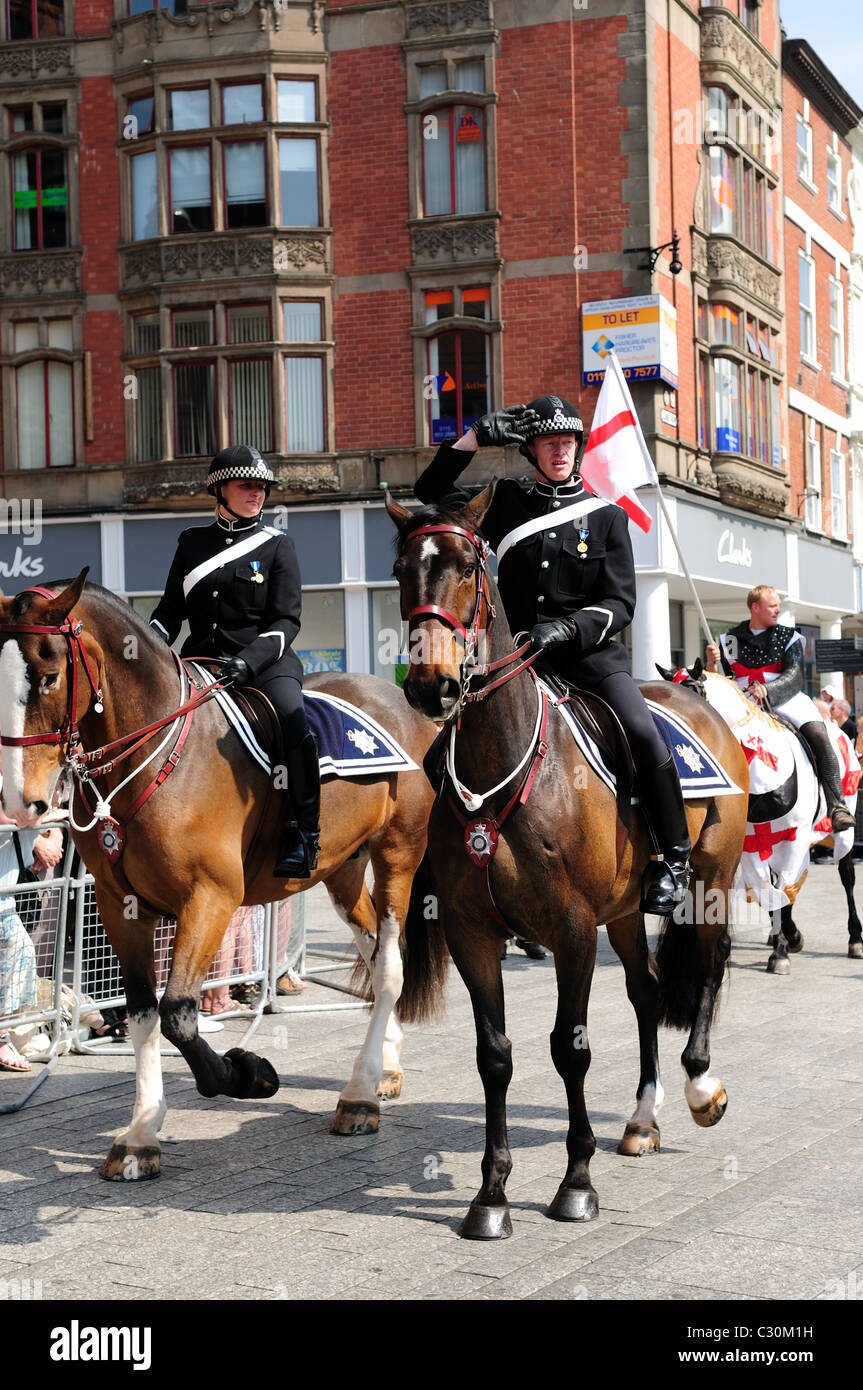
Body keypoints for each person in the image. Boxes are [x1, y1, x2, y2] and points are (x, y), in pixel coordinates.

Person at [415, 395, 691, 915]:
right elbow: (428, 492)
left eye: (567, 442)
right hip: (514, 664)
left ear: (579, 448)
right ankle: (460, 864)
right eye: (548, 442)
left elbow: (619, 603)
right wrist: (474, 436)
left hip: (589, 660)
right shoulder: (503, 505)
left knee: (643, 733)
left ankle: (672, 860)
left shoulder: (607, 517)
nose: (559, 451)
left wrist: (564, 629)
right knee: (439, 757)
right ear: (532, 450)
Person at [150, 444, 320, 878]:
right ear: (220, 489)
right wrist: (151, 644)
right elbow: (171, 610)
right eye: (247, 485)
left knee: (292, 718)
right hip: (199, 663)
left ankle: (305, 833)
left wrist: (248, 662)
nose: (257, 493)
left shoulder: (279, 545)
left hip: (264, 665)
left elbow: (287, 619)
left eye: (262, 487)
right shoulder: (192, 542)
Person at [706, 585, 855, 832]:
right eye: (772, 606)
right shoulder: (729, 639)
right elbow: (723, 677)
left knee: (820, 736)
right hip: (742, 699)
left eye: (778, 605)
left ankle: (837, 805)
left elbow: (795, 674)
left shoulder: (790, 636)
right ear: (755, 607)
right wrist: (712, 663)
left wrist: (769, 690)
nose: (778, 610)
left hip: (784, 698)